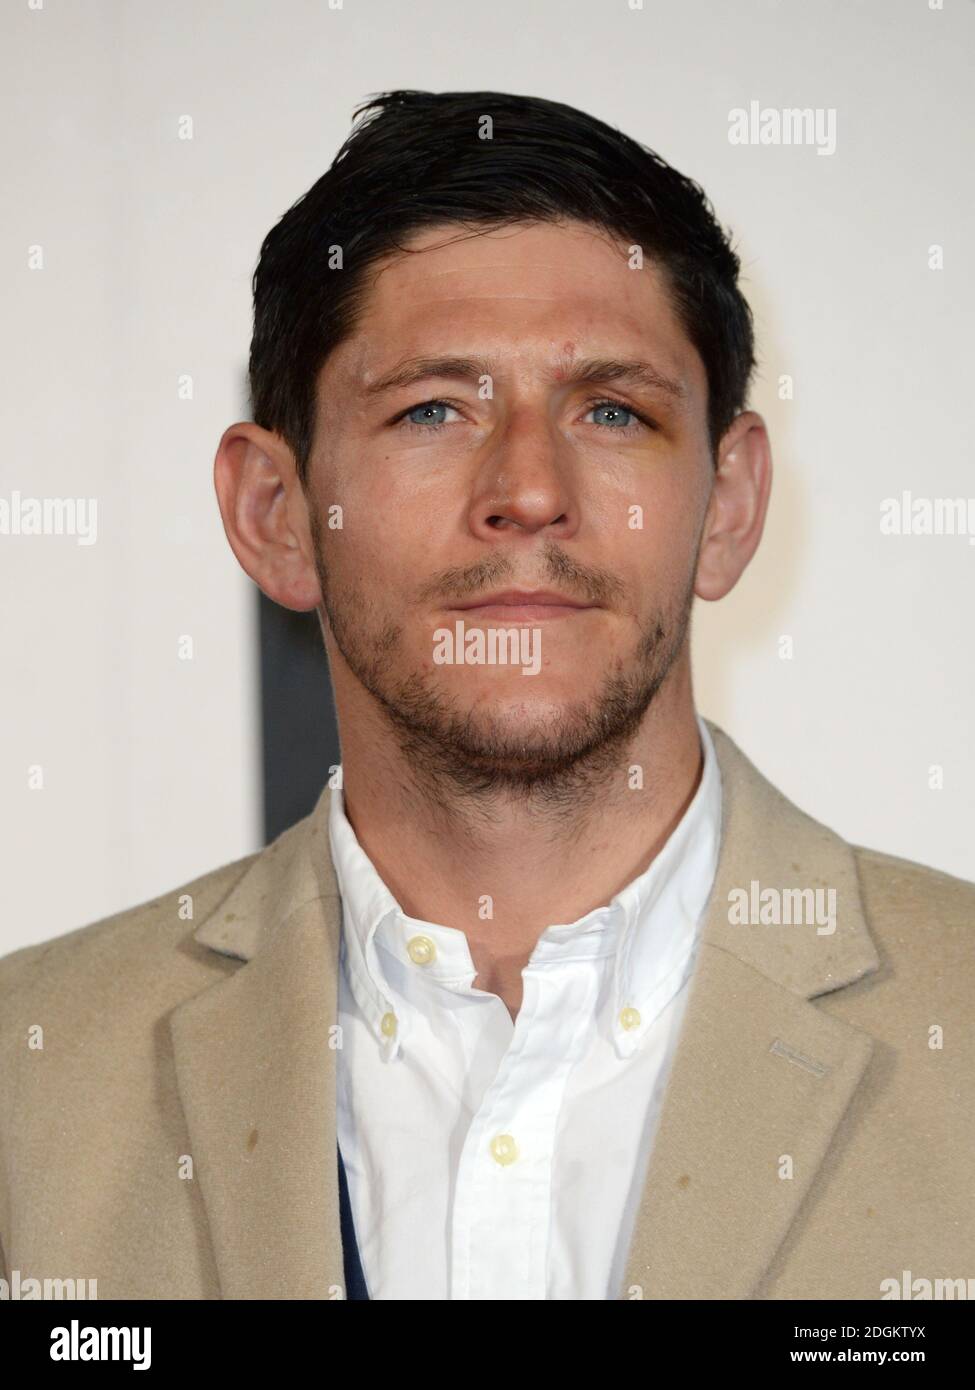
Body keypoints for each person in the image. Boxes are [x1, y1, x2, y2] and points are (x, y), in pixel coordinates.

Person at [1, 89, 972, 1303]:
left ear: (726, 506)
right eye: (433, 409)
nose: (527, 488)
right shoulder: (24, 1083)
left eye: (612, 409)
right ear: (276, 516)